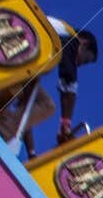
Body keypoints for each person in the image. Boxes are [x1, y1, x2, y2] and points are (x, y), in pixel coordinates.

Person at [20, 18, 98, 156]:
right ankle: (2, 128)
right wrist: (65, 124)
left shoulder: (45, 53)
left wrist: (31, 154)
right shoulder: (70, 37)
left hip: (16, 54)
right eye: (84, 60)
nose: (80, 65)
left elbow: (26, 107)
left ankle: (22, 144)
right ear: (83, 43)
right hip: (19, 46)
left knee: (34, 97)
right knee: (46, 105)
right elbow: (68, 82)